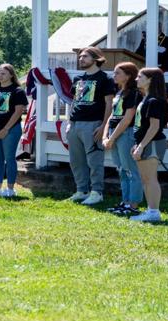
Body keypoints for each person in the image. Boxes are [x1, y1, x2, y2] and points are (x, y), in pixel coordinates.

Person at [64, 46, 116, 205]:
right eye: (80, 57)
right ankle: (82, 190)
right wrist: (69, 122)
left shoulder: (105, 79)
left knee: (94, 161)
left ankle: (97, 192)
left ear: (96, 58)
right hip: (75, 125)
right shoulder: (78, 79)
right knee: (76, 160)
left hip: (94, 124)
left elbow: (109, 104)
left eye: (85, 56)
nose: (81, 59)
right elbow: (74, 102)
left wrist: (103, 127)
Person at [128, 67, 168, 223]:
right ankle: (151, 210)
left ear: (150, 80)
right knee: (145, 178)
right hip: (144, 142)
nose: (136, 79)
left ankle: (153, 212)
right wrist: (137, 144)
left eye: (140, 76)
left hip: (152, 143)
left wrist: (141, 146)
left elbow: (154, 127)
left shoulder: (154, 101)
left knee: (150, 178)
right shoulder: (145, 98)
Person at [101, 62, 142, 215]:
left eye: (118, 73)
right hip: (114, 132)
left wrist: (112, 138)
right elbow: (112, 116)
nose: (114, 75)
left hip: (126, 133)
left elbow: (127, 118)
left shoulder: (133, 93)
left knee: (131, 170)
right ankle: (125, 202)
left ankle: (133, 204)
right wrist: (106, 135)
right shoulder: (119, 93)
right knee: (122, 170)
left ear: (128, 76)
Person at [0, 63, 27, 198]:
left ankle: (10, 189)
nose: (0, 75)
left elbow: (18, 111)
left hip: (11, 129)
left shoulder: (17, 91)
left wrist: (5, 129)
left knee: (9, 158)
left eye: (3, 73)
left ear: (11, 75)